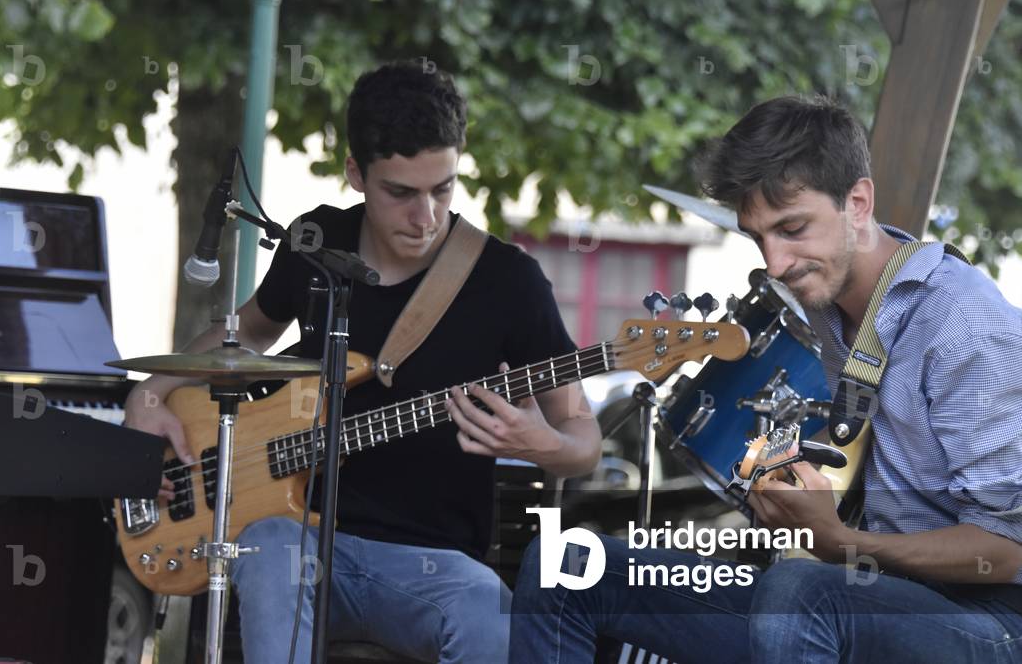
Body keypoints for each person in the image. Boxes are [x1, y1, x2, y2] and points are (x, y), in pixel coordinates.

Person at [509, 95, 1022, 663]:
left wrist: (844, 543)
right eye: (758, 238)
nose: (775, 263)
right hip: (874, 598)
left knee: (800, 592)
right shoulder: (835, 305)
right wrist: (780, 479)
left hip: (991, 623)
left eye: (792, 228)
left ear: (857, 203)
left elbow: (1005, 548)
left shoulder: (966, 326)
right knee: (565, 565)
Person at [124, 60, 601, 663]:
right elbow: (243, 335)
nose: (425, 217)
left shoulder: (508, 281)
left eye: (442, 189)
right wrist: (147, 393)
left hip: (435, 569)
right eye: (401, 193)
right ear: (356, 173)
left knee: (492, 612)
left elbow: (583, 436)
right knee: (266, 547)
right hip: (304, 545)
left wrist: (544, 445)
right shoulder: (315, 243)